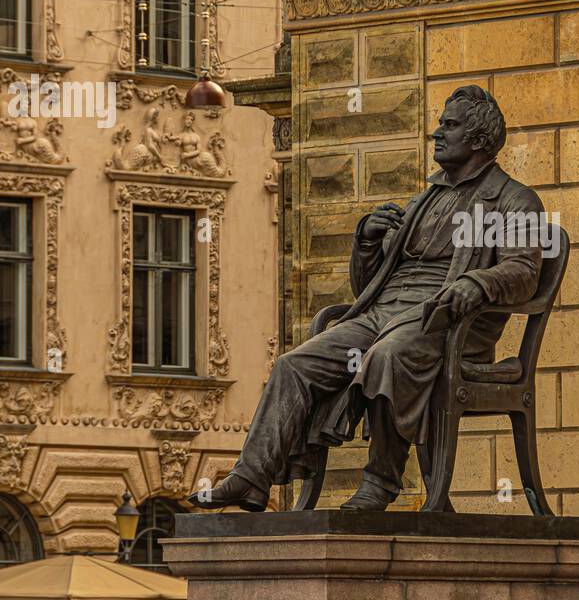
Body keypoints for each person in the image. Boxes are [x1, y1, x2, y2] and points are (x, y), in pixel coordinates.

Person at [189, 85, 545, 512]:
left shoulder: (514, 200)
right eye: (439, 124)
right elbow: (366, 288)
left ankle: (382, 481)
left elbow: (523, 272)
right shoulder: (423, 201)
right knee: (293, 364)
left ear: (478, 139)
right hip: (379, 315)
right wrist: (367, 241)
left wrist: (477, 284)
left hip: (443, 324)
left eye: (449, 126)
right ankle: (251, 478)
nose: (437, 133)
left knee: (387, 357)